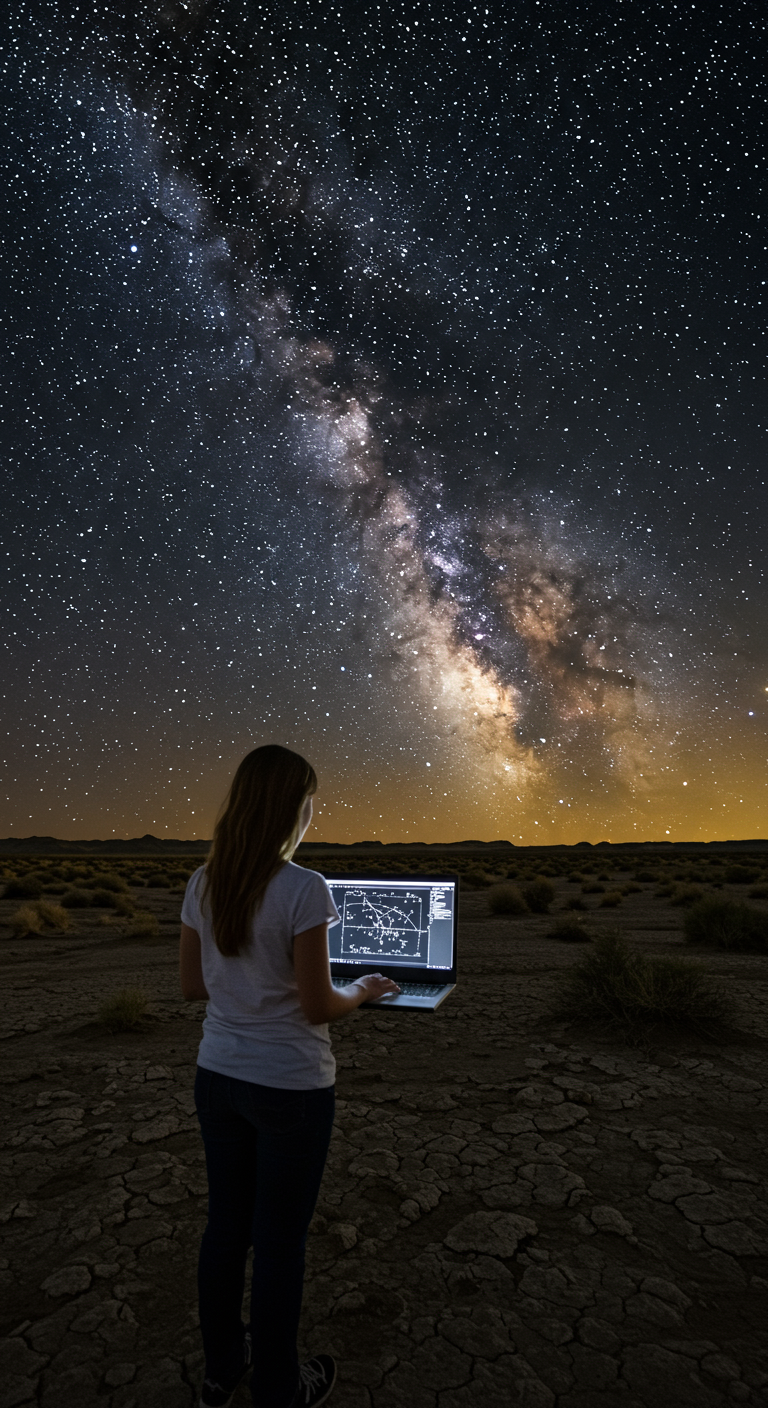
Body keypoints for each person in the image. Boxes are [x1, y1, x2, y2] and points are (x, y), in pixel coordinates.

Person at [179, 744, 399, 1408]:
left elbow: (192, 987)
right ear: (295, 807)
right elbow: (316, 1005)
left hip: (217, 1076)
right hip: (291, 1088)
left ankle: (222, 1372)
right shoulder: (305, 888)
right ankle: (279, 1387)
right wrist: (361, 988)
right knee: (278, 1242)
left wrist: (243, 991)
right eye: (311, 797)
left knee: (226, 1228)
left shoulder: (202, 881)